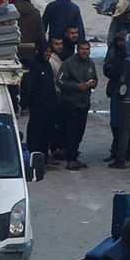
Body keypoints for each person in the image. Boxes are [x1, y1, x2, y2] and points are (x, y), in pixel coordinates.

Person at [55, 40, 97, 170]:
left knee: (80, 132)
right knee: (71, 132)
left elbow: (95, 78)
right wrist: (76, 86)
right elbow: (60, 81)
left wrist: (92, 83)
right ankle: (70, 159)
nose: (85, 51)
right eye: (82, 49)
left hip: (84, 103)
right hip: (71, 103)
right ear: (77, 50)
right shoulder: (68, 63)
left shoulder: (90, 63)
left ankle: (74, 156)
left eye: (87, 49)